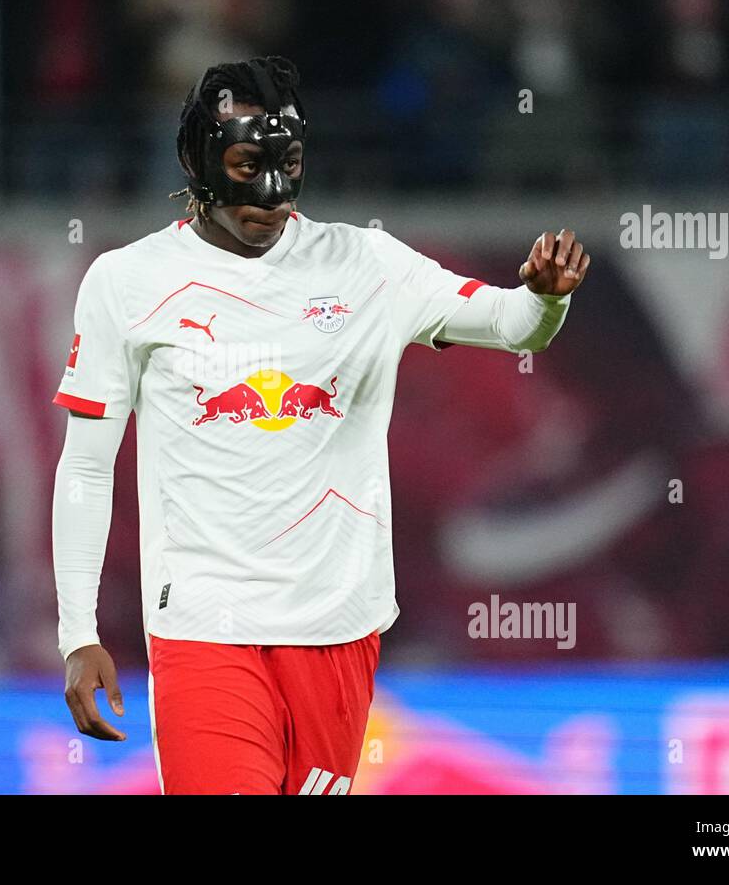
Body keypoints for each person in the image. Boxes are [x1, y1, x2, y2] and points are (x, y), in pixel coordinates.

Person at [51, 55, 589, 794]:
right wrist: (78, 632)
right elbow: (84, 466)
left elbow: (511, 323)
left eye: (289, 163)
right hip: (205, 629)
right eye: (247, 165)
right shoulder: (126, 282)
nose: (271, 192)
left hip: (337, 628)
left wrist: (545, 297)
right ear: (198, 160)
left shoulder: (366, 264)